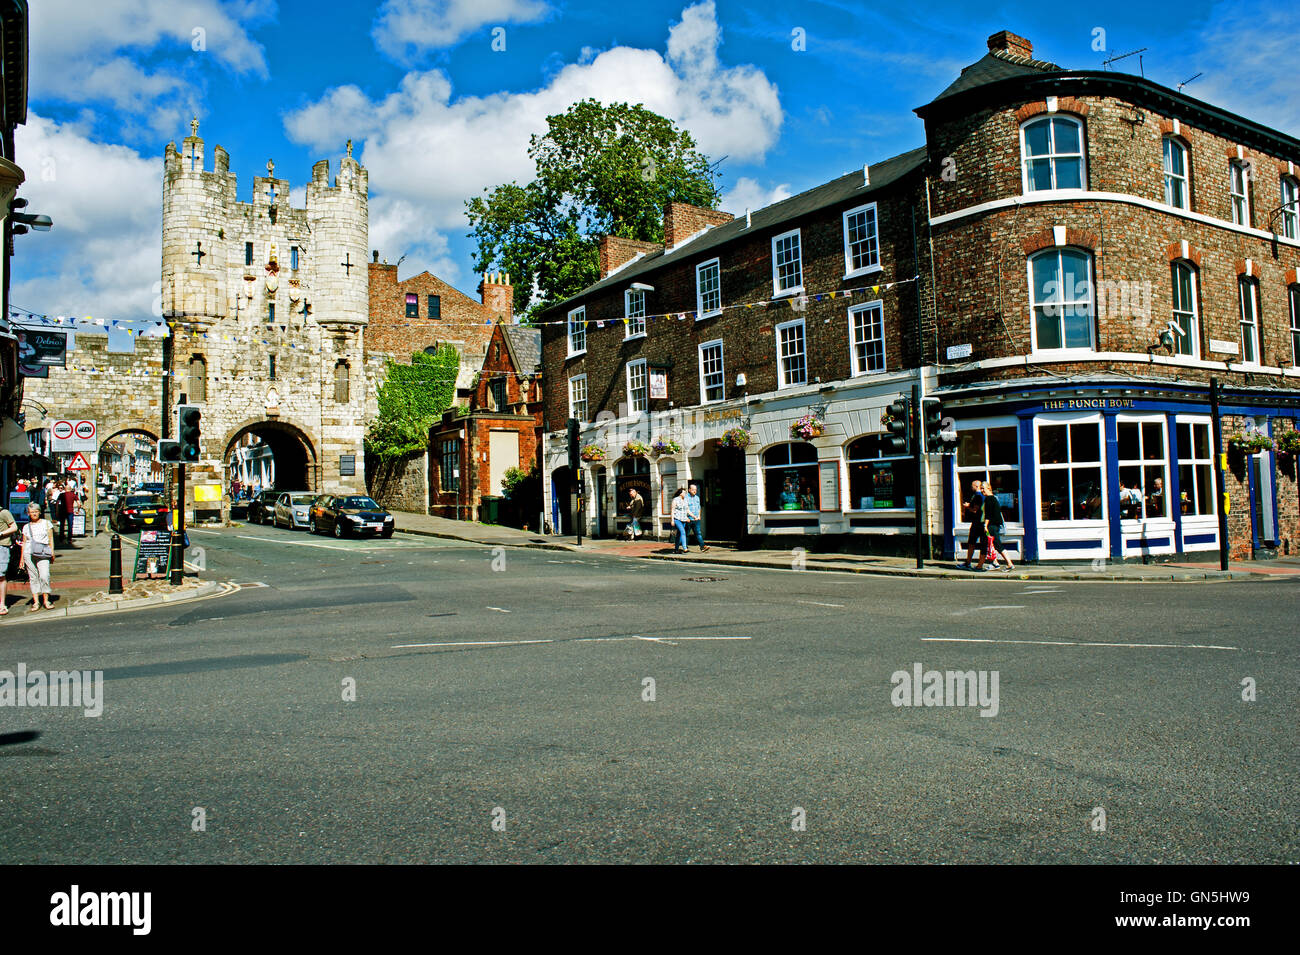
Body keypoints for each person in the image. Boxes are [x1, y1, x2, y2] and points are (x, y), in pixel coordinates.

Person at [21, 502, 55, 611]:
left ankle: (46, 600)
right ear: (28, 514)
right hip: (29, 553)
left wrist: (52, 552)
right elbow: (24, 542)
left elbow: (51, 539)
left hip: (43, 552)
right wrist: (21, 558)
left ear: (39, 512)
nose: (34, 514)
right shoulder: (26, 527)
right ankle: (36, 602)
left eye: (36, 511)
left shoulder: (46, 523)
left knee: (44, 576)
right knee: (33, 577)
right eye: (32, 512)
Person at [975, 490, 1014, 573]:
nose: (981, 490)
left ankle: (1010, 564)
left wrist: (985, 525)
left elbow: (988, 514)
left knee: (996, 544)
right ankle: (985, 565)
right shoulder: (993, 498)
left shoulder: (989, 499)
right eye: (981, 488)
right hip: (992, 526)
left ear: (989, 488)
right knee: (986, 544)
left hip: (990, 527)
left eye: (983, 488)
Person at [959, 479, 986, 569]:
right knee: (984, 544)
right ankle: (993, 562)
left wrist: (967, 507)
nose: (971, 487)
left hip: (977, 523)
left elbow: (975, 510)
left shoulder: (978, 496)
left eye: (972, 486)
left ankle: (969, 562)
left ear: (976, 486)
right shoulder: (983, 496)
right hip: (981, 523)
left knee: (971, 543)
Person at [0, 503, 18, 615]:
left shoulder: (4, 513)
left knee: (0, 576)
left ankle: (2, 604)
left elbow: (14, 527)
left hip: (2, 546)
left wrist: (1, 533)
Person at [685, 482, 709, 552]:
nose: (695, 491)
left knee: (698, 533)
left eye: (695, 489)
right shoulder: (686, 498)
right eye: (693, 489)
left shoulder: (697, 498)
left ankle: (702, 546)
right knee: (687, 534)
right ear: (689, 490)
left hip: (696, 519)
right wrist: (687, 517)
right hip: (689, 519)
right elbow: (686, 509)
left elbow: (699, 507)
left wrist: (699, 516)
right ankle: (685, 547)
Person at [670, 487, 690, 554]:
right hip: (677, 519)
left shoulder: (685, 500)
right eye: (684, 492)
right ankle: (685, 548)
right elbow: (672, 510)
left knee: (679, 534)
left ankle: (676, 549)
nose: (685, 494)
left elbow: (687, 510)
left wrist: (692, 516)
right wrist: (672, 520)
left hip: (684, 519)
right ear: (680, 493)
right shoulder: (675, 500)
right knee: (683, 532)